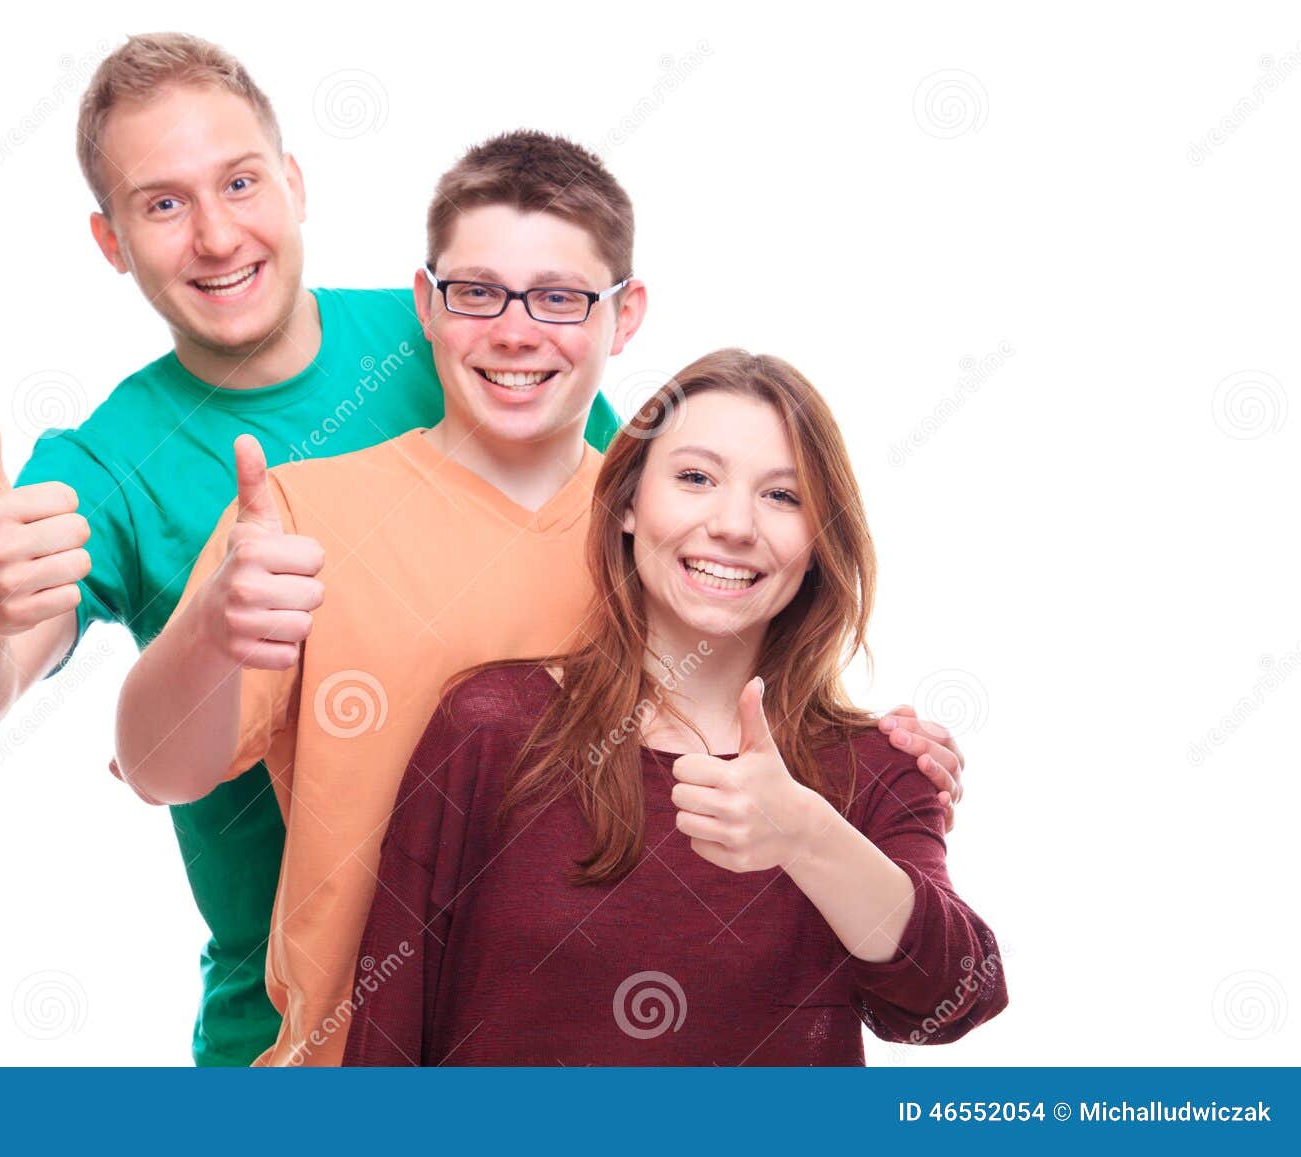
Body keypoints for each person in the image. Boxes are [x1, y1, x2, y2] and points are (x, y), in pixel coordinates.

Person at [115, 137, 970, 1066]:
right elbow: (159, 770)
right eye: (477, 291)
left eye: (560, 297)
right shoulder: (296, 520)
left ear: (625, 313)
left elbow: (774, 715)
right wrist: (206, 631)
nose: (517, 331)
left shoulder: (676, 538)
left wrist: (882, 766)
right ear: (427, 305)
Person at [0, 31, 628, 1067]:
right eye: (162, 204)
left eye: (239, 182)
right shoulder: (105, 467)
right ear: (110, 241)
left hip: (550, 1006)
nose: (214, 235)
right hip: (294, 1027)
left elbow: (661, 580)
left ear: (292, 183)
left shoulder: (473, 335)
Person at [343, 350, 1008, 1065]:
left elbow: (954, 994)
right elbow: (388, 1026)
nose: (734, 525)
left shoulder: (877, 767)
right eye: (696, 478)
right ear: (628, 503)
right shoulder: (492, 724)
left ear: (818, 543)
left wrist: (811, 837)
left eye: (783, 496)